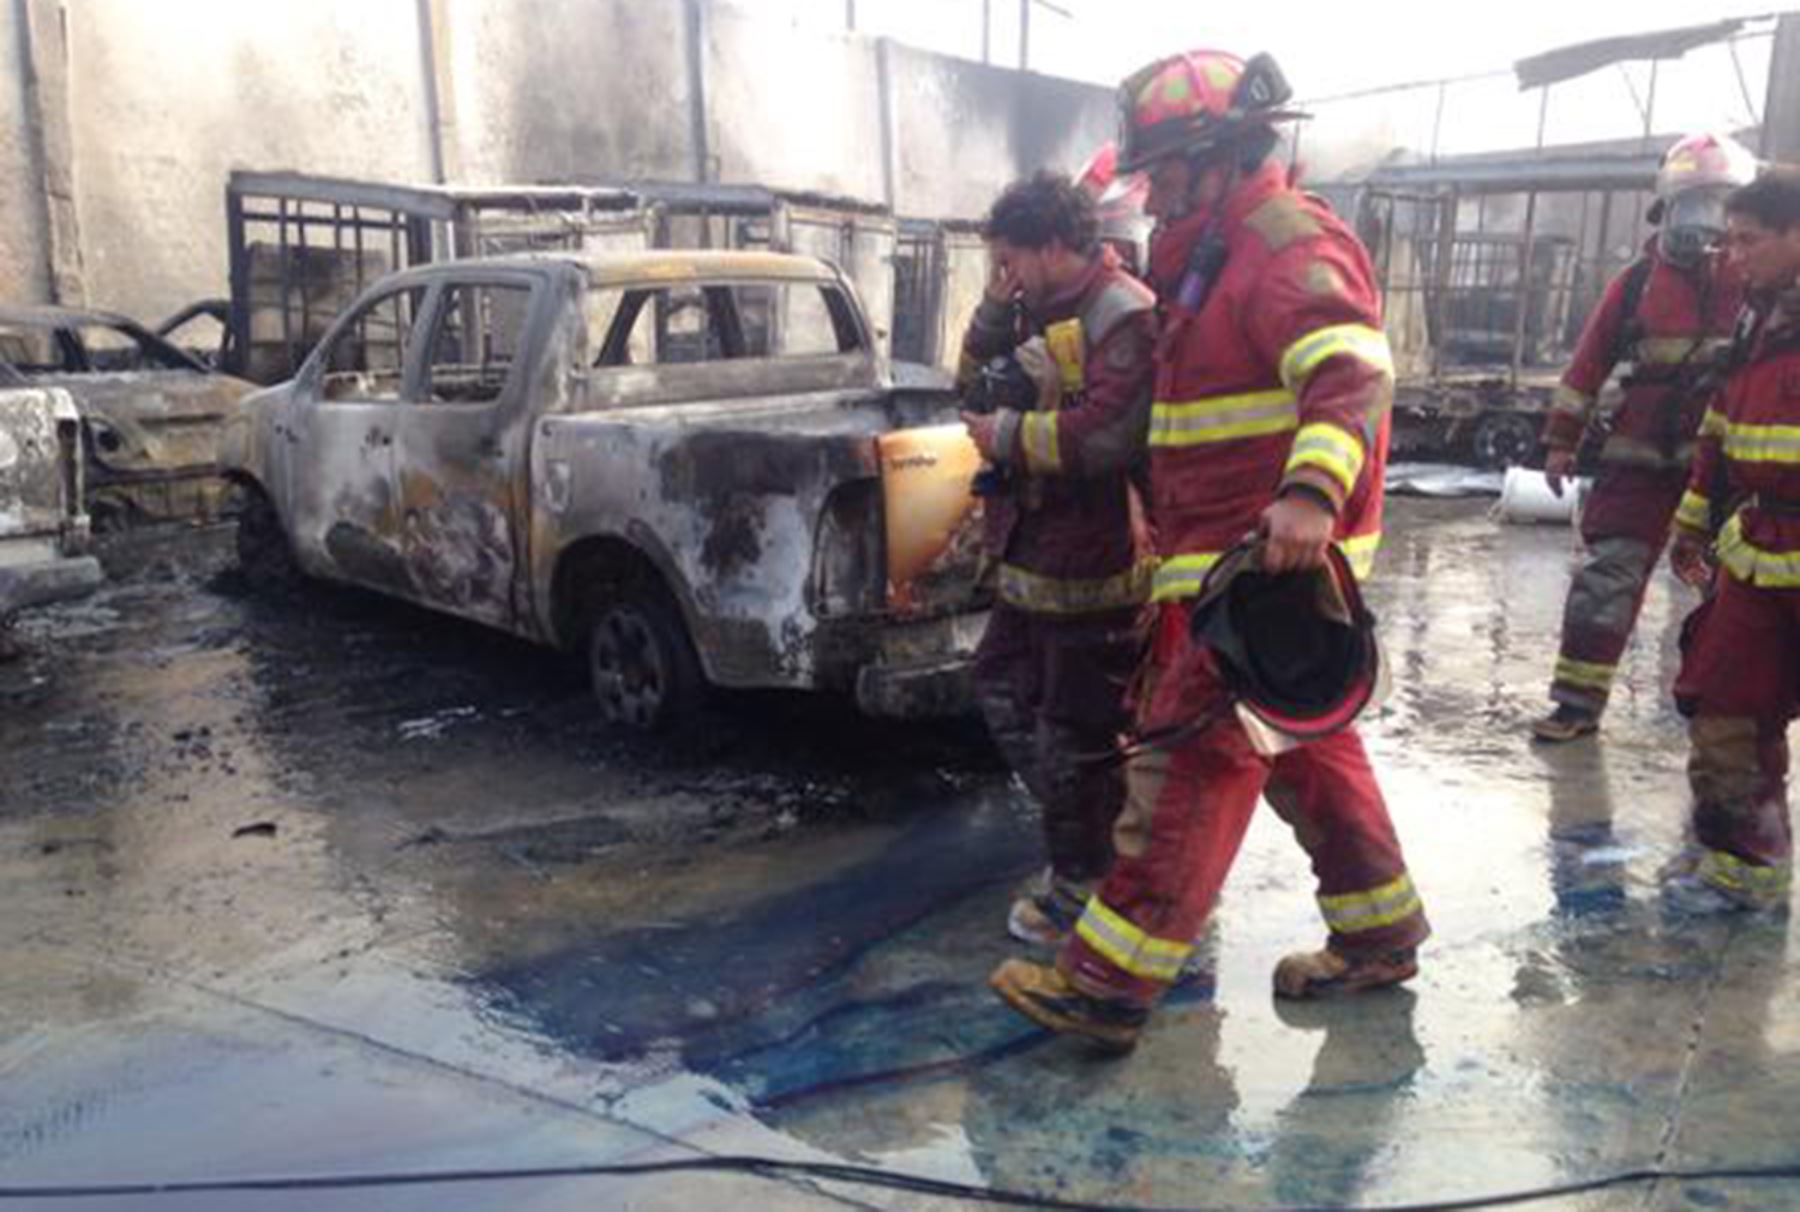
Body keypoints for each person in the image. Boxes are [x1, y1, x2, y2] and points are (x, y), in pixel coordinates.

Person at [989, 49, 1428, 1053]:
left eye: (1170, 170)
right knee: (1309, 754)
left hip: (1260, 573)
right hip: (1230, 572)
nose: (1156, 191)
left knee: (1187, 768)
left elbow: (1350, 368)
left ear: (1222, 154)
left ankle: (1104, 989)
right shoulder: (1213, 254)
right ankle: (1381, 933)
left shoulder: (1278, 243)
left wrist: (1312, 493)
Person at [957, 172, 1158, 946]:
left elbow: (1112, 437)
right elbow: (968, 391)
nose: (1004, 275)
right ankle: (1105, 846)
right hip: (1031, 555)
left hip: (1098, 562)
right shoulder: (1028, 308)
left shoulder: (1121, 314)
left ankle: (1087, 885)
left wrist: (1008, 436)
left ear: (1051, 246)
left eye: (1011, 259)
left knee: (1077, 730)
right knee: (1003, 692)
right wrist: (989, 311)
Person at [1531, 133, 1755, 742]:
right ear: (1666, 210)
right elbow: (1587, 365)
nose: (1705, 222)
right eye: (1691, 204)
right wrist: (1561, 440)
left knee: (1737, 595)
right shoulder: (1636, 283)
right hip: (1639, 465)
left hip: (1728, 472)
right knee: (1605, 583)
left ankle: (1724, 718)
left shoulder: (1761, 286)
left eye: (1720, 204)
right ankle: (1576, 704)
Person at [1664, 165, 1800, 912]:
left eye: (1750, 241)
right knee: (1725, 710)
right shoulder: (1757, 318)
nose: (1733, 257)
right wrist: (1692, 521)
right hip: (1759, 546)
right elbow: (1719, 427)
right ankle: (1744, 869)